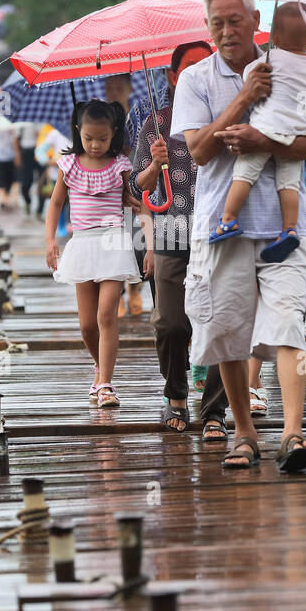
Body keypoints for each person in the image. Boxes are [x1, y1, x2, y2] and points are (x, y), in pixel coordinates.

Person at [172, 0, 306, 473]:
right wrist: (243, 98)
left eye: (235, 20)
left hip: (284, 223)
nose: (226, 31)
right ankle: (243, 431)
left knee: (288, 325)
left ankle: (293, 432)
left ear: (255, 18)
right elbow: (197, 151)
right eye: (217, 22)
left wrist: (264, 137)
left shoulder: (290, 62)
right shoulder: (196, 79)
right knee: (228, 330)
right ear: (207, 25)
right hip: (223, 221)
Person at [129, 40, 231, 438]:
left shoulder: (229, 115)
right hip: (172, 231)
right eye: (190, 67)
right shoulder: (155, 124)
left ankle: (214, 411)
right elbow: (137, 191)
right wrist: (155, 163)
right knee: (170, 322)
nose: (200, 73)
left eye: (208, 65)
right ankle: (175, 395)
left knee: (219, 321)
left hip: (220, 230)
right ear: (173, 77)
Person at [206, 2, 306, 263]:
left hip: (265, 129)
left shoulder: (267, 59)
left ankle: (228, 219)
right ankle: (289, 229)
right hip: (299, 134)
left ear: (273, 36)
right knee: (289, 184)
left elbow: (248, 78)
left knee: (244, 175)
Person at [45, 100, 148, 408]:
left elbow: (134, 199)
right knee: (87, 325)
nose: (95, 145)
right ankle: (99, 366)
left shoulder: (120, 165)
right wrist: (50, 239)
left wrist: (137, 204)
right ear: (78, 132)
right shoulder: (70, 165)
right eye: (88, 138)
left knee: (107, 314)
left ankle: (105, 384)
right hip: (83, 243)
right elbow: (54, 204)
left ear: (113, 133)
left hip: (113, 241)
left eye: (102, 139)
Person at [104, 73, 146, 317]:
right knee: (113, 243)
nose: (114, 91)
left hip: (136, 183)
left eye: (119, 87)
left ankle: (135, 288)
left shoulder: (140, 114)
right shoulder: (100, 117)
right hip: (109, 190)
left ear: (130, 87)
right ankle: (117, 292)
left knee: (137, 240)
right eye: (109, 87)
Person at [14, 118, 44, 216]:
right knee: (26, 182)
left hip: (41, 152)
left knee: (42, 181)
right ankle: (27, 202)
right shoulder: (22, 122)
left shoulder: (44, 121)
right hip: (26, 153)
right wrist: (18, 155)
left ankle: (39, 210)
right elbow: (16, 139)